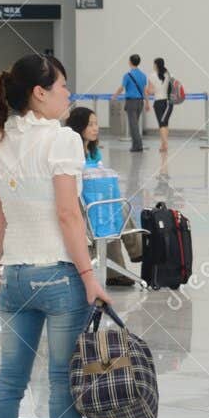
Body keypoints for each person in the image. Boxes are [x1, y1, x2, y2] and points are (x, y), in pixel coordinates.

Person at [0, 54, 113, 418]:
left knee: (8, 384)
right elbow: (68, 214)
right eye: (62, 87)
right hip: (59, 276)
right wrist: (90, 277)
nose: (68, 95)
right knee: (63, 385)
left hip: (15, 275)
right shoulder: (63, 140)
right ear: (39, 93)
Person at [65, 105, 131, 285]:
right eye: (91, 124)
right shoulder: (71, 151)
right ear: (79, 126)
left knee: (117, 208)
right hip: (81, 202)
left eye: (96, 124)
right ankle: (132, 256)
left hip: (96, 199)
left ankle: (120, 269)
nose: (96, 128)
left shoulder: (94, 151)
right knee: (115, 211)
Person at [112, 54, 151, 153]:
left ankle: (138, 146)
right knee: (135, 124)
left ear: (130, 62)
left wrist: (114, 96)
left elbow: (122, 87)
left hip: (131, 102)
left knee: (133, 125)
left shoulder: (128, 75)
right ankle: (135, 145)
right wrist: (147, 103)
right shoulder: (143, 75)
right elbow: (145, 91)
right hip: (140, 102)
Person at [150, 57, 174, 154]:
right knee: (165, 124)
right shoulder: (169, 74)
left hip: (158, 102)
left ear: (156, 65)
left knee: (161, 124)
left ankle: (165, 144)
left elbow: (150, 91)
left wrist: (147, 91)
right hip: (169, 103)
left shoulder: (152, 76)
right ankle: (163, 144)